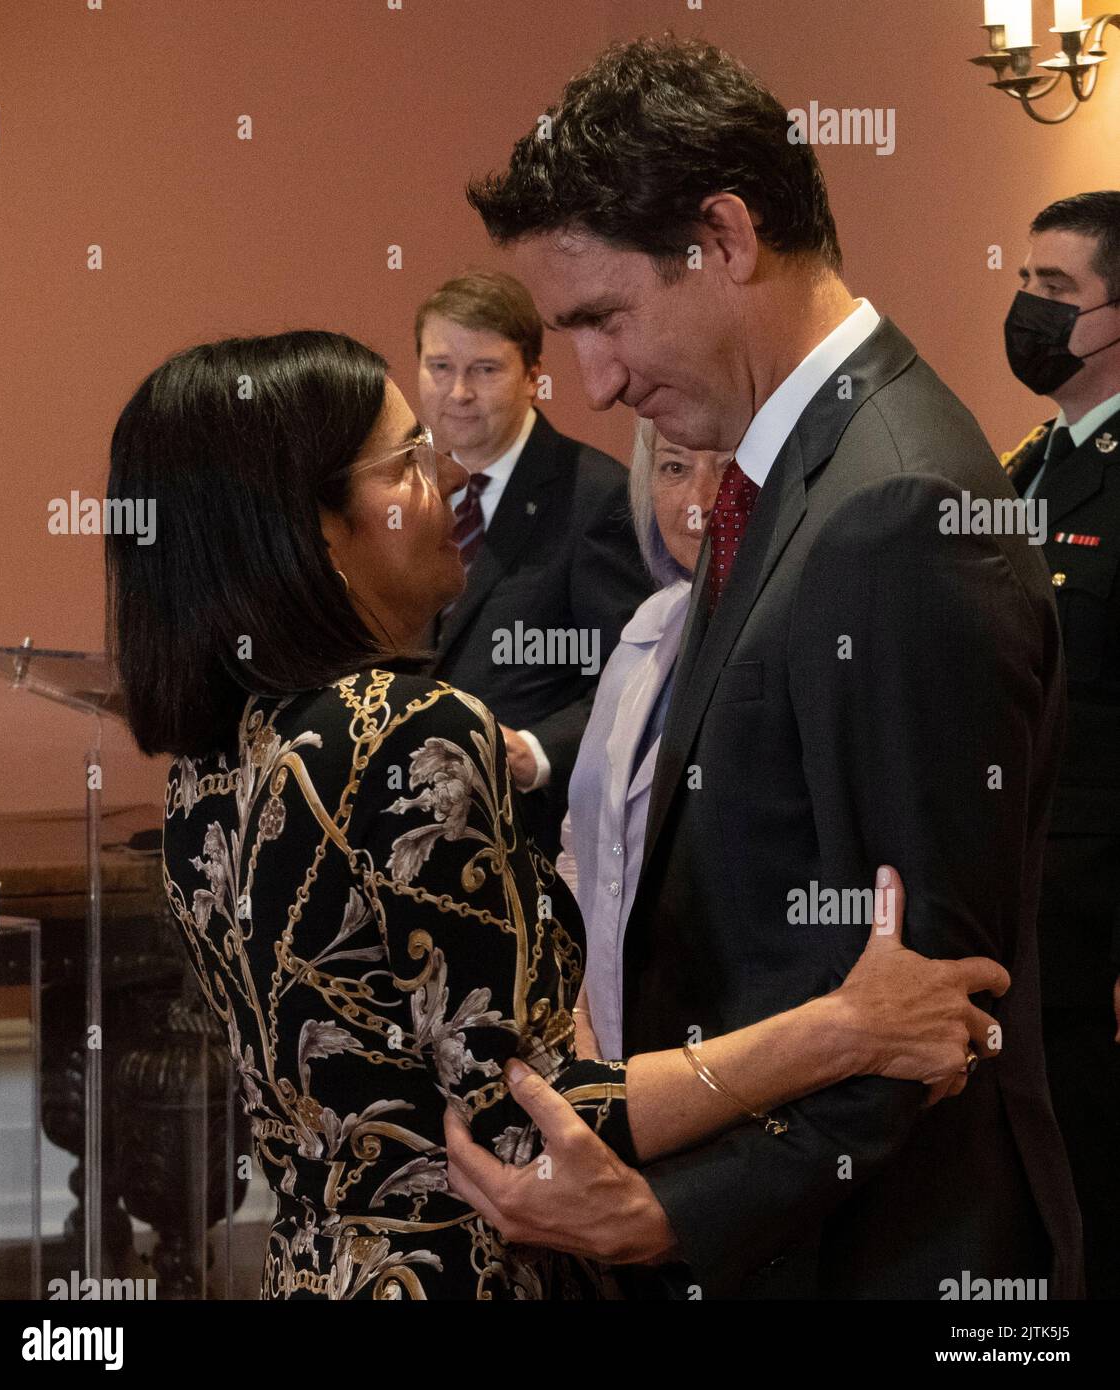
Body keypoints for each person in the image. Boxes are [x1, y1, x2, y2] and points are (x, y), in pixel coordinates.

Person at [106, 329, 1010, 1300]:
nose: (450, 474)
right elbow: (531, 1114)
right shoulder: (407, 730)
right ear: (320, 526)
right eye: (409, 457)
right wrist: (848, 1027)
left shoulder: (207, 766)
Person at [446, 34, 1084, 1300]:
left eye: (603, 318)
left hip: (885, 1251)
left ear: (724, 238)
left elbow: (930, 1005)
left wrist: (666, 1213)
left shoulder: (889, 507)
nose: (597, 379)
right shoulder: (798, 471)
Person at [416, 271, 652, 858]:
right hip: (414, 827)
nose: (458, 392)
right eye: (440, 366)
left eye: (485, 370)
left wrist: (537, 749)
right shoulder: (406, 496)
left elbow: (634, 683)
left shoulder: (596, 498)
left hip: (530, 838)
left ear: (533, 378)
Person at [1000, 190, 1120, 1299]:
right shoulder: (1025, 460)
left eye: (1056, 291)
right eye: (1022, 283)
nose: (1026, 309)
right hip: (1017, 875)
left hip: (1095, 900)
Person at [557, 422, 729, 1057]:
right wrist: (572, 1004)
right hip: (609, 1051)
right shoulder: (649, 624)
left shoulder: (799, 640)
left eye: (729, 466)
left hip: (735, 1059)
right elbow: (585, 843)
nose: (698, 500)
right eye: (675, 468)